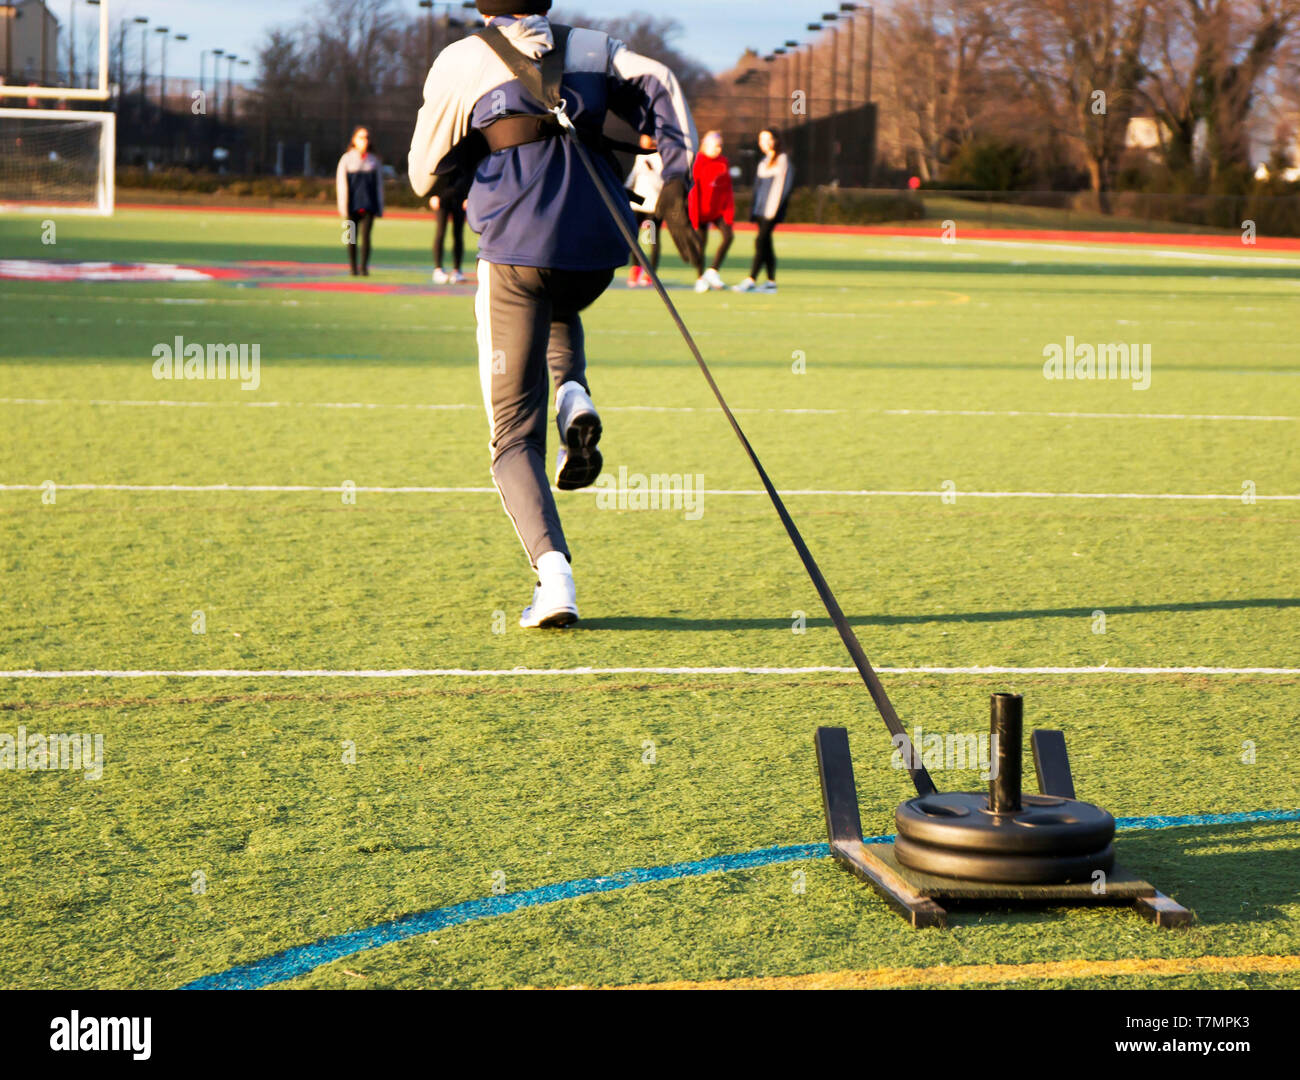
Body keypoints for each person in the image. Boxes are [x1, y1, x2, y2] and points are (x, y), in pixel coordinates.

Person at [408, 0, 700, 628]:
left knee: (513, 436)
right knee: (560, 302)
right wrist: (675, 178)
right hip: (597, 251)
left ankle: (555, 578)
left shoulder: (462, 58)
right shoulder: (596, 46)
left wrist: (477, 160)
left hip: (515, 253)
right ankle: (571, 391)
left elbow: (423, 175)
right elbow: (663, 83)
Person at [735, 130, 794, 294]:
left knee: (760, 242)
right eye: (760, 139)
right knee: (766, 245)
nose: (761, 142)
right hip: (761, 210)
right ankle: (770, 282)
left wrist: (772, 211)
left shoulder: (782, 160)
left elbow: (782, 188)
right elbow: (758, 188)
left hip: (771, 211)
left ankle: (751, 279)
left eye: (766, 139)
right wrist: (754, 209)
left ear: (775, 141)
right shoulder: (764, 161)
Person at [688, 130, 735, 293]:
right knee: (701, 245)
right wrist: (694, 218)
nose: (718, 149)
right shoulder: (698, 161)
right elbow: (694, 191)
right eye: (715, 146)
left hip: (717, 211)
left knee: (729, 237)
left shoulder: (723, 162)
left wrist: (728, 213)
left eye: (720, 146)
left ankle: (712, 271)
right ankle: (700, 278)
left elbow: (726, 189)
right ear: (705, 145)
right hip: (701, 212)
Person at [336, 126, 384, 276]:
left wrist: (380, 206)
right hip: (352, 206)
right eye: (361, 137)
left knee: (366, 237)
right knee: (351, 237)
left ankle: (363, 268)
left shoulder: (374, 161)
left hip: (369, 206)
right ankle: (352, 267)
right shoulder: (346, 159)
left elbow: (379, 185)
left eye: (367, 137)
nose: (365, 140)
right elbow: (341, 184)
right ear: (354, 140)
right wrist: (343, 206)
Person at [625, 145, 664, 288]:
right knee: (633, 237)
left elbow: (662, 184)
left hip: (653, 207)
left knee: (652, 239)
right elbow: (633, 177)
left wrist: (652, 171)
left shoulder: (661, 157)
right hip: (638, 206)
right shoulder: (640, 155)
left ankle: (651, 273)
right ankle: (635, 269)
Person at [430, 173, 470, 285]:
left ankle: (457, 271)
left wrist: (469, 196)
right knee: (440, 233)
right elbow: (434, 173)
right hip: (442, 198)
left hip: (460, 198)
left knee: (458, 234)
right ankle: (438, 269)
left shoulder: (465, 157)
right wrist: (433, 194)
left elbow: (470, 173)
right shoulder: (442, 157)